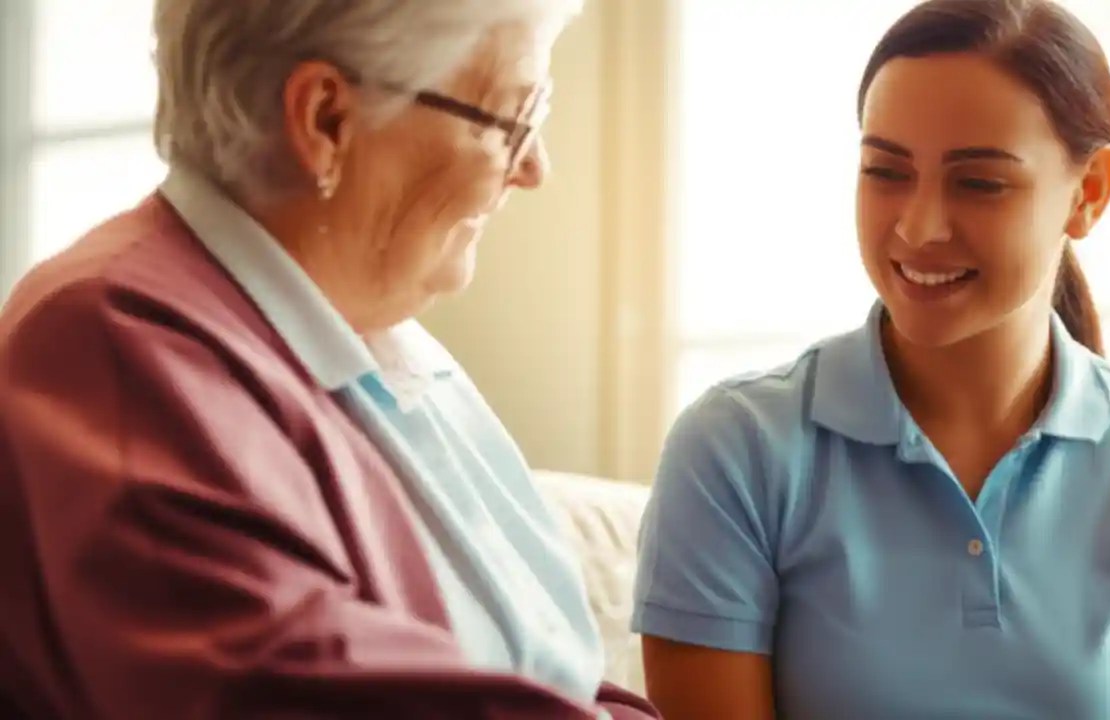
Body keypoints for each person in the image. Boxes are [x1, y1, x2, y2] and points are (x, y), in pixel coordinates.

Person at [0, 2, 658, 719]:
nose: (534, 168)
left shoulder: (393, 355)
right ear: (325, 121)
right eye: (511, 117)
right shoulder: (110, 341)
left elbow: (560, 672)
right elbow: (285, 689)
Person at [631, 1, 1110, 718]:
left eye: (979, 182)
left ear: (1089, 193)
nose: (919, 226)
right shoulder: (736, 450)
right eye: (884, 170)